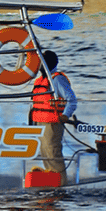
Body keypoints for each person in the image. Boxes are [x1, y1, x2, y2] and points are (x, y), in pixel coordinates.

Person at [30, 50, 77, 184]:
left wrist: (65, 115)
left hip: (52, 123)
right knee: (45, 153)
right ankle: (51, 181)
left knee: (53, 152)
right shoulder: (40, 81)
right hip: (40, 122)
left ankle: (61, 184)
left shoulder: (57, 79)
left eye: (40, 62)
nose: (37, 65)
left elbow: (72, 99)